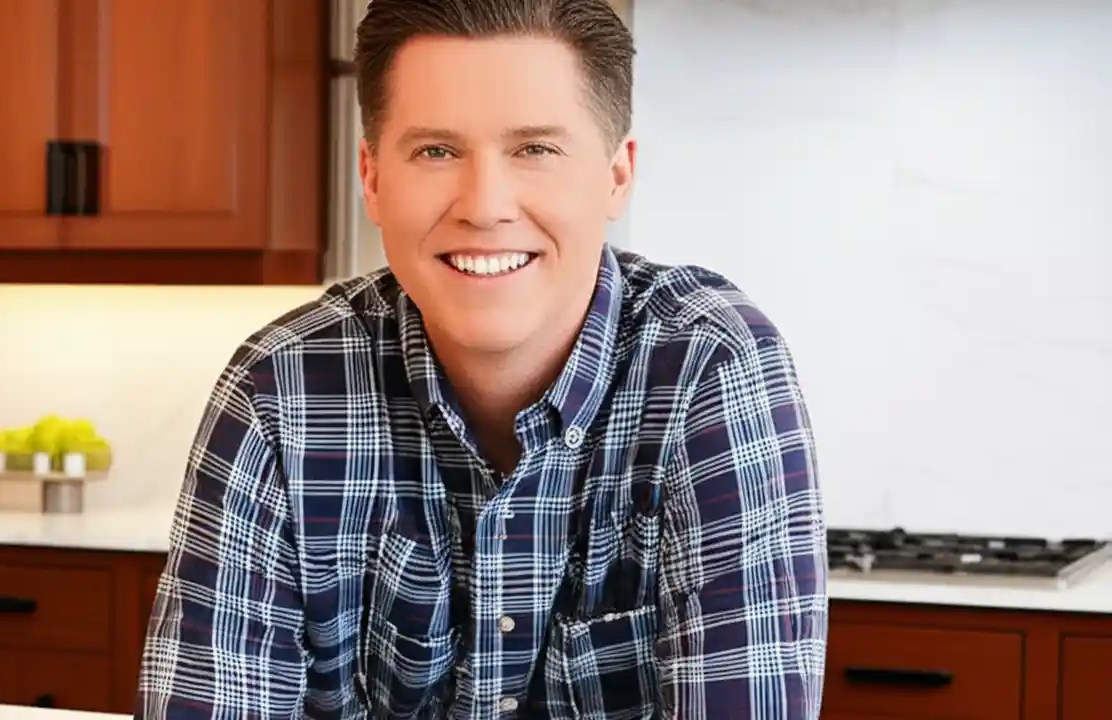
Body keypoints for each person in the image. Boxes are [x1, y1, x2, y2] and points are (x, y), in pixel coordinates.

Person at [135, 0, 827, 717]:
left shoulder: (708, 368)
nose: (485, 205)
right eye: (437, 151)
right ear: (372, 178)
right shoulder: (278, 391)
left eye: (535, 149)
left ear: (616, 175)